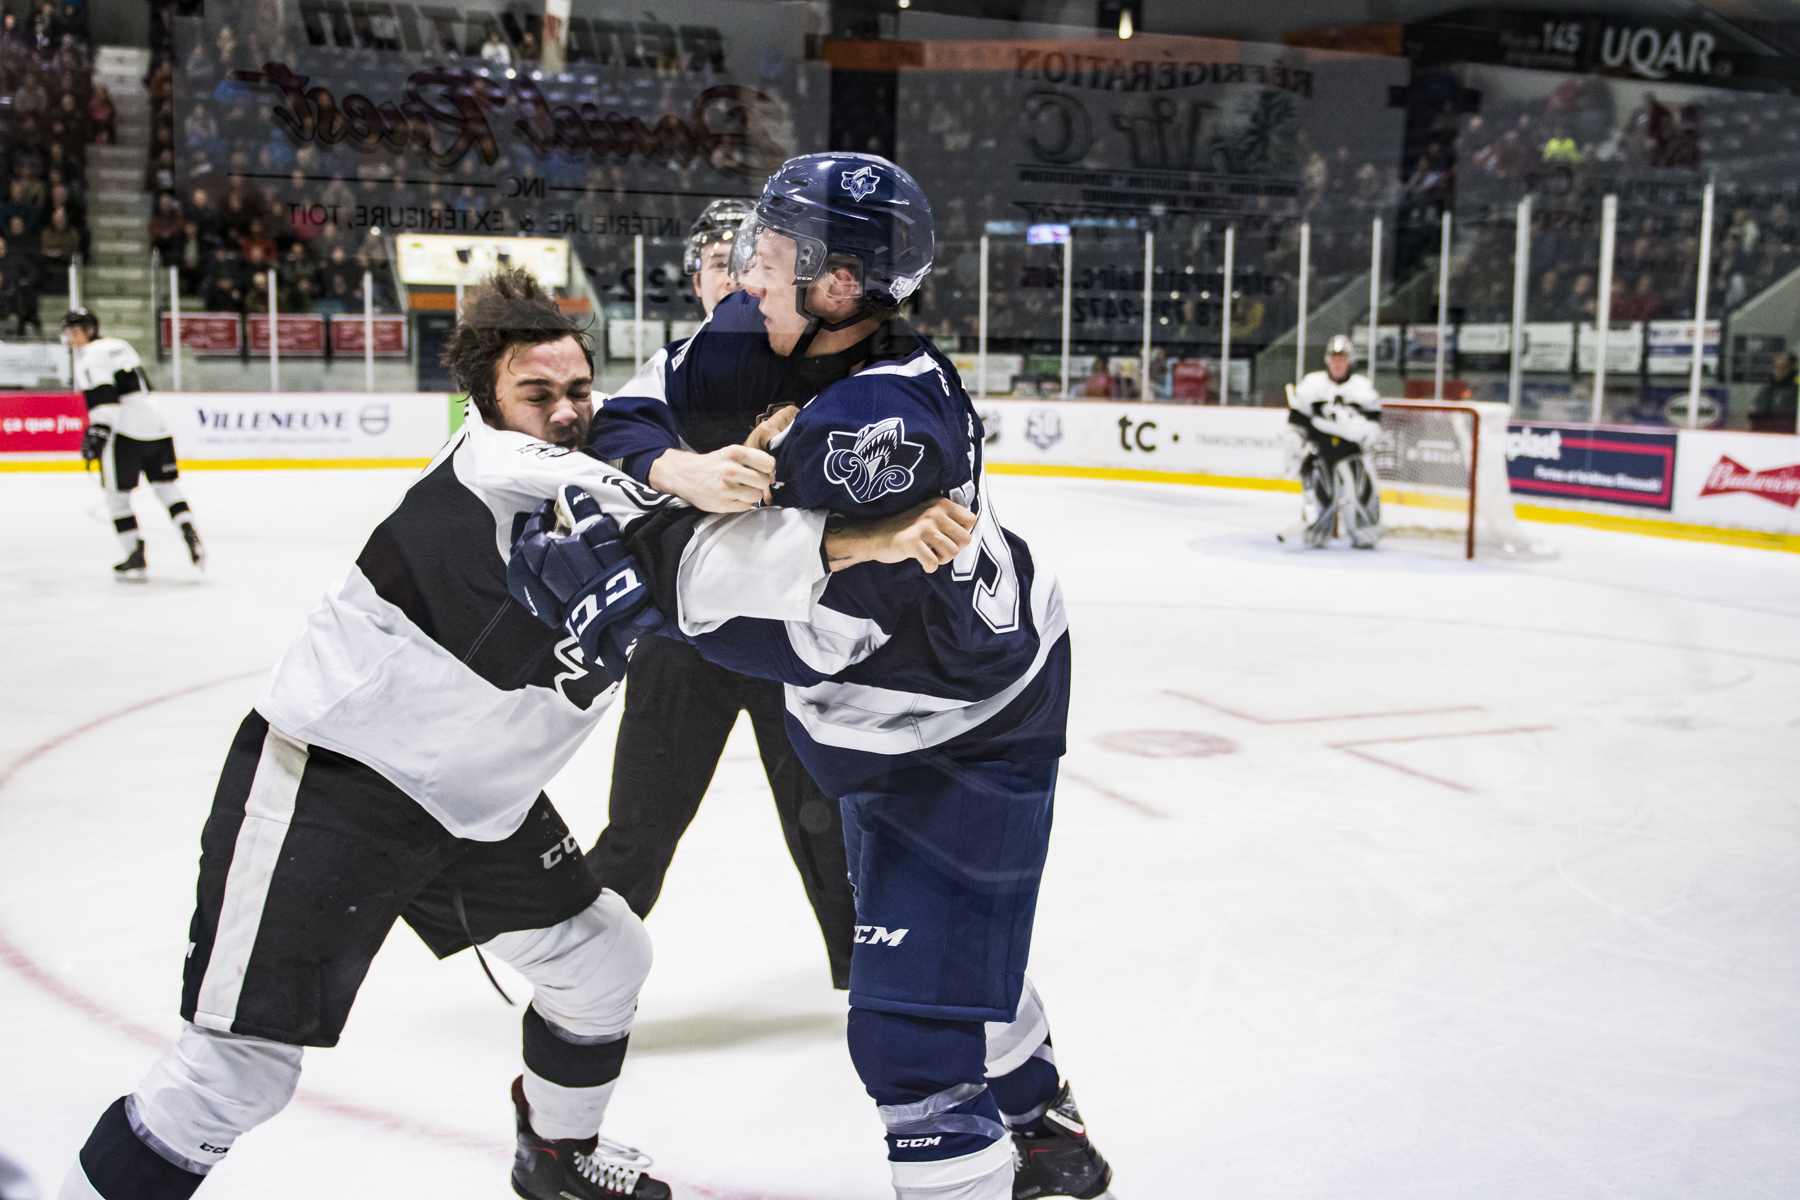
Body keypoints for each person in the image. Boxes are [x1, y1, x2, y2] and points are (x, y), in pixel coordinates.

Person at [55, 267, 963, 1200]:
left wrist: (736, 459)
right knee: (236, 1074)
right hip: (334, 785)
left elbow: (652, 500)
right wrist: (855, 535)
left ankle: (556, 1157)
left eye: (579, 389)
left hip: (476, 806)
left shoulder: (595, 468)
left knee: (604, 960)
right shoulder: (499, 468)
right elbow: (657, 539)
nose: (566, 411)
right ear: (484, 404)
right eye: (537, 394)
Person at [524, 153, 1115, 1200]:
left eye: (773, 252)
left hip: (970, 723)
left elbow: (792, 637)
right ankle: (1047, 1130)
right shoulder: (765, 329)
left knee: (907, 1039)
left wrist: (646, 573)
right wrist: (683, 471)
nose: (746, 272)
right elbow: (624, 421)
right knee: (939, 956)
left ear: (839, 285)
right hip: (866, 716)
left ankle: (1021, 1136)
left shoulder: (885, 430)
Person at [585, 195, 856, 987]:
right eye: (718, 263)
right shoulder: (671, 371)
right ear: (696, 280)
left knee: (828, 823)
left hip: (790, 633)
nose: (736, 278)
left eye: (752, 264)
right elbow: (609, 452)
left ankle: (874, 980)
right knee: (641, 824)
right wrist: (681, 471)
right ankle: (575, 968)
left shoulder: (820, 362)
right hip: (682, 641)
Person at [65, 309, 204, 578]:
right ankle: (188, 528)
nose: (71, 338)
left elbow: (106, 401)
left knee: (116, 498)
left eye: (75, 331)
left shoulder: (89, 357)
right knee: (165, 485)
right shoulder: (120, 345)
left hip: (125, 431)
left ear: (89, 330)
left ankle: (134, 553)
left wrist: (97, 433)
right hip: (157, 424)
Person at [1284, 333, 1383, 549]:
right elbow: (1297, 422)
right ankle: (1318, 527)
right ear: (1327, 360)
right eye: (1335, 358)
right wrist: (1294, 441)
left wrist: (1363, 432)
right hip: (1320, 452)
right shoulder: (1311, 384)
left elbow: (1374, 424)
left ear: (1350, 360)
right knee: (1321, 503)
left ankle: (1364, 529)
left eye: (1343, 358)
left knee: (1362, 496)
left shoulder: (1362, 387)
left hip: (1352, 453)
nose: (1338, 363)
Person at [1749, 351, 1797, 432]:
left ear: (1791, 368)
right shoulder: (1766, 387)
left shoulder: (1795, 390)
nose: (1779, 371)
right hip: (1764, 431)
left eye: (1783, 367)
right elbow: (1758, 411)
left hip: (1785, 432)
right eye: (1776, 367)